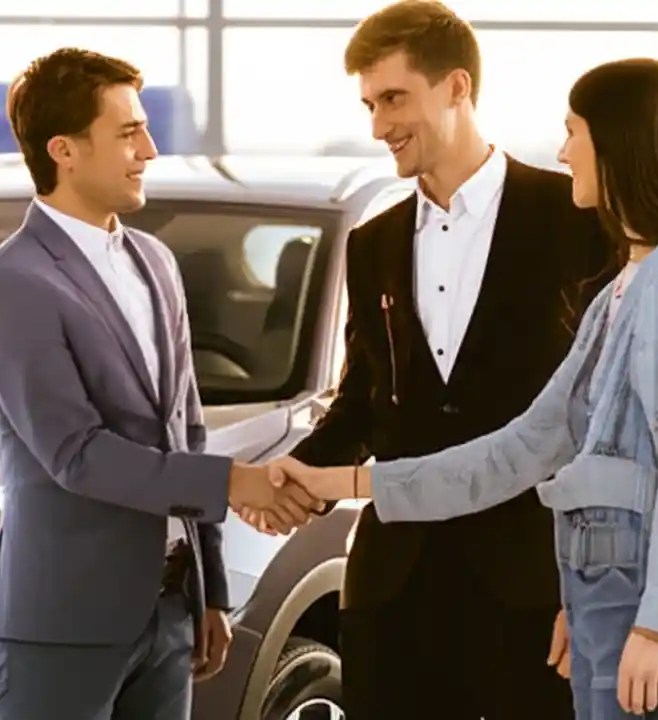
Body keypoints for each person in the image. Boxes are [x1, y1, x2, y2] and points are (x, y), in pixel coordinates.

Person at [275, 56, 658, 720]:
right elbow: (518, 450)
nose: (562, 153)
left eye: (573, 132)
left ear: (618, 142)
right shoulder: (618, 294)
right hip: (599, 609)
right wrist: (341, 482)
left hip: (642, 624)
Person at [240, 2, 616, 718]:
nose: (378, 125)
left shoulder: (575, 222)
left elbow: (603, 421)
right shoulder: (373, 244)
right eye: (369, 105)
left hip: (534, 586)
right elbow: (362, 403)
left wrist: (595, 587)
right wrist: (296, 479)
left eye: (393, 98)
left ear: (457, 87)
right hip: (397, 591)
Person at [0, 48, 320, 719]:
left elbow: (186, 431)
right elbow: (77, 455)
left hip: (171, 614)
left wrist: (211, 589)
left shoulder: (154, 261)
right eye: (128, 133)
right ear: (64, 151)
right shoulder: (11, 284)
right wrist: (233, 483)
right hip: (63, 622)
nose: (149, 151)